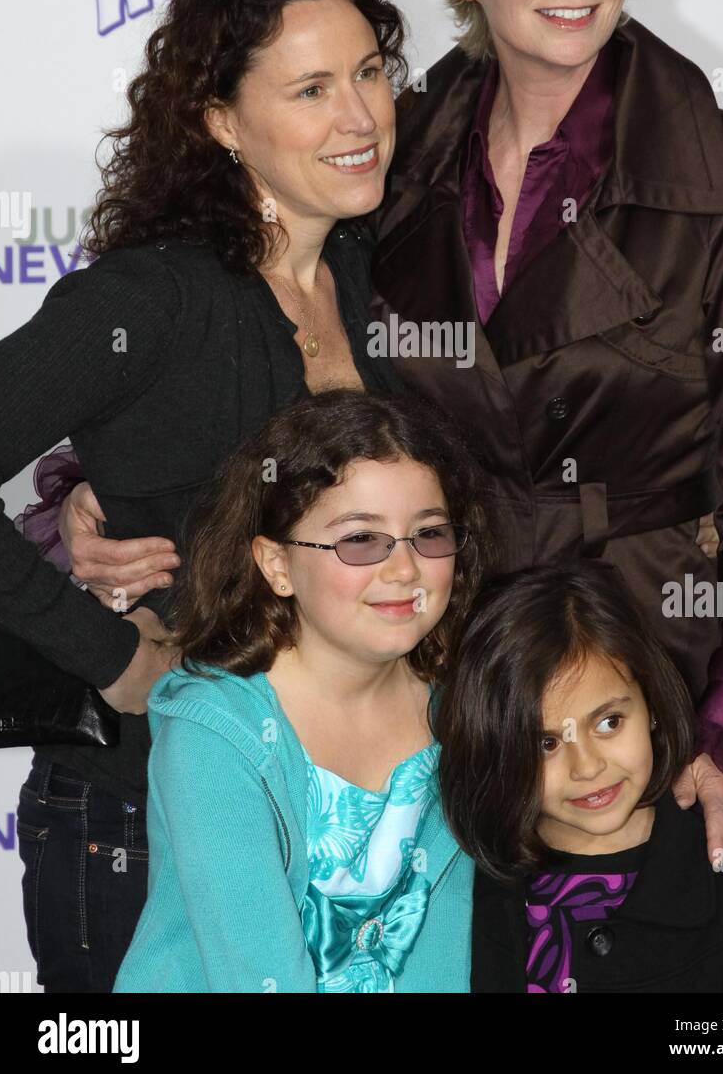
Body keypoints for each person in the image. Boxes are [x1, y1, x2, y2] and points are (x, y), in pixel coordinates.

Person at [29, 0, 723, 885]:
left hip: (636, 692)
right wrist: (89, 486)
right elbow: (282, 374)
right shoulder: (395, 160)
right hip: (430, 698)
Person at [0, 0, 409, 991]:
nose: (358, 116)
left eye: (368, 71)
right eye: (310, 88)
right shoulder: (152, 301)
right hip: (141, 820)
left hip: (333, 816)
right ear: (221, 122)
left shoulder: (371, 273)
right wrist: (109, 655)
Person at [113, 388, 492, 993]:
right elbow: (255, 976)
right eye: (360, 540)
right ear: (277, 565)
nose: (404, 569)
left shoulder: (465, 705)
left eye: (429, 534)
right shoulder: (212, 734)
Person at [436, 564, 723, 993]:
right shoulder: (472, 894)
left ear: (651, 702)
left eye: (609, 722)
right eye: (547, 743)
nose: (588, 767)